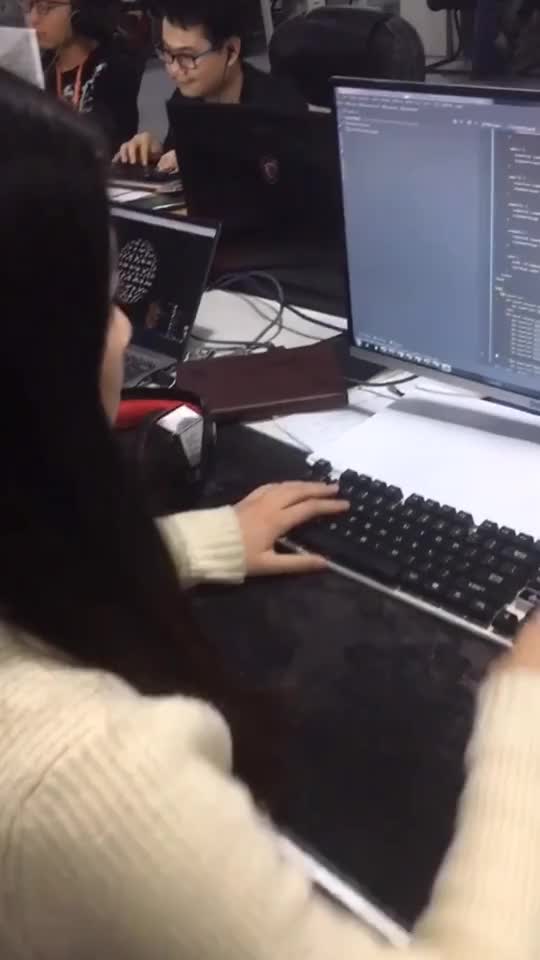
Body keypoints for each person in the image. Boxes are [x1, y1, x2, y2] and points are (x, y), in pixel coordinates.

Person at [3, 69, 540, 960]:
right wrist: (527, 704)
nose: (128, 332)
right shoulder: (83, 773)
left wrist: (196, 540)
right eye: (100, 300)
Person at [115, 0, 307, 171]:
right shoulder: (185, 100)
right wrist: (157, 155)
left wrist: (203, 163)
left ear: (231, 51)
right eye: (166, 52)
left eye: (187, 56)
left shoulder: (279, 109)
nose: (173, 69)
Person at [23, 0, 141, 151]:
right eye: (28, 6)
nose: (33, 19)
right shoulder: (38, 69)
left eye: (45, 8)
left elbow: (105, 140)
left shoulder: (114, 68)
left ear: (79, 12)